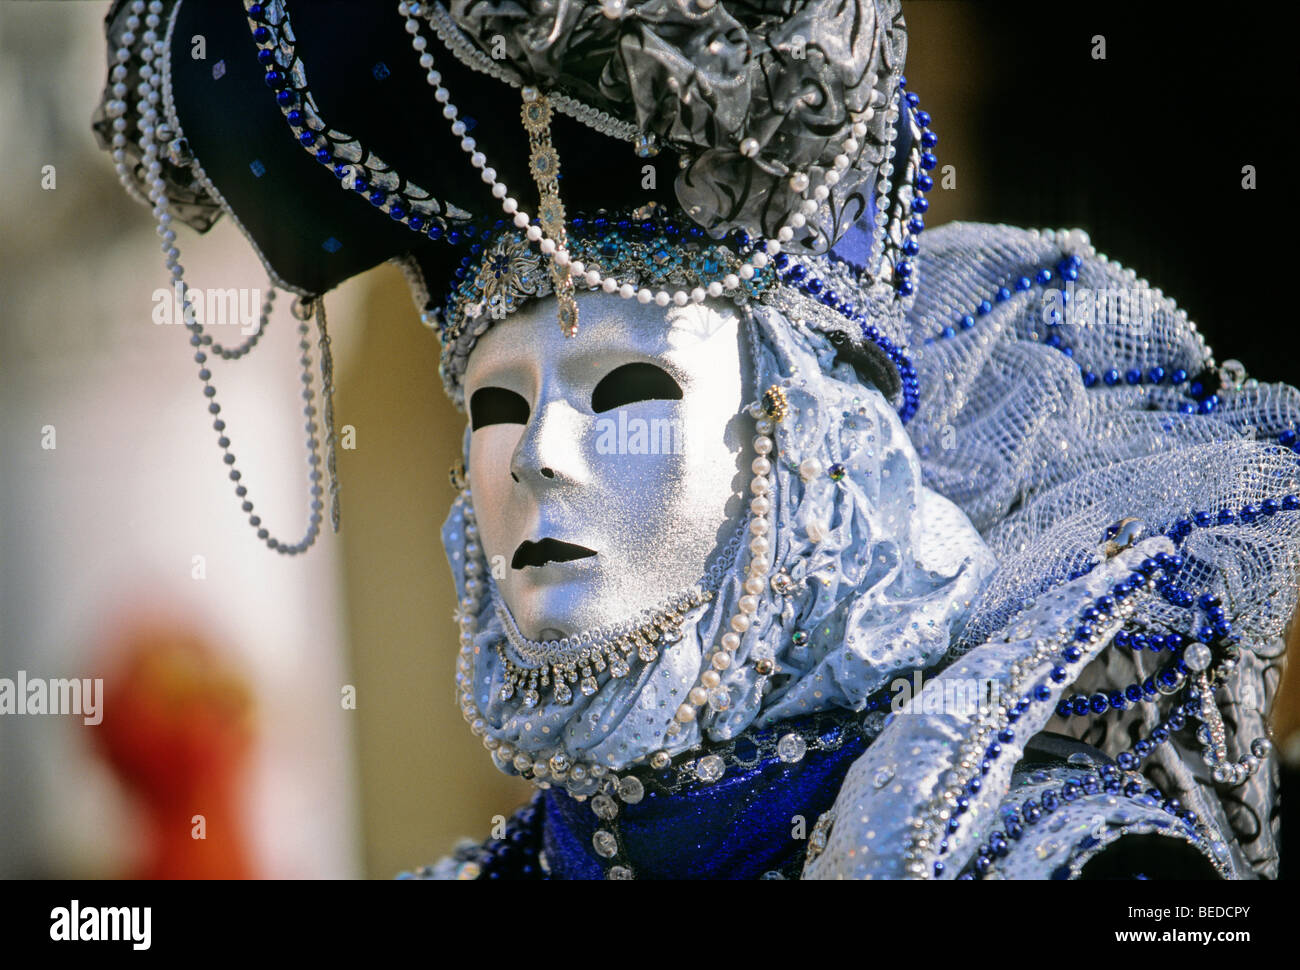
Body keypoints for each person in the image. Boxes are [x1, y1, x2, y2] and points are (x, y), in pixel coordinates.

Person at [96, 0, 1300, 879]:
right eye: (498, 406)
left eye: (626, 389)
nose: (537, 457)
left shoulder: (1047, 860)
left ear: (803, 448)